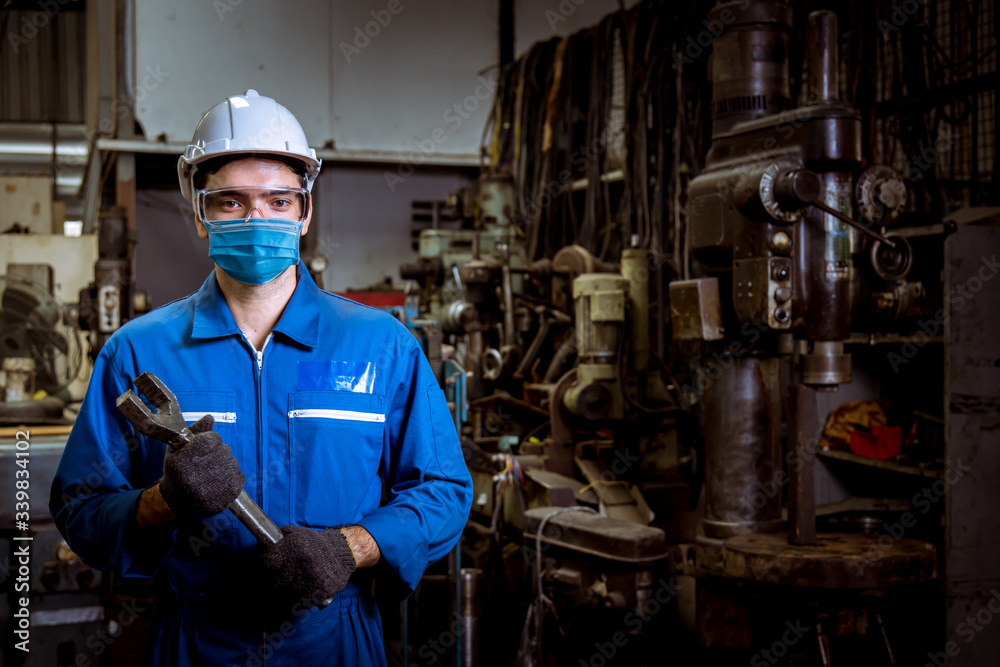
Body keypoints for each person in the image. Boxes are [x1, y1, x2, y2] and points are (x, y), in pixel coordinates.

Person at [50, 90, 472, 666]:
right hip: (195, 640)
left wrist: (352, 547)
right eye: (231, 203)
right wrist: (162, 502)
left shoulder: (382, 346)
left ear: (305, 212)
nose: (257, 220)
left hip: (336, 635)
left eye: (278, 201)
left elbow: (444, 491)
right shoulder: (137, 351)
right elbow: (80, 509)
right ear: (200, 214)